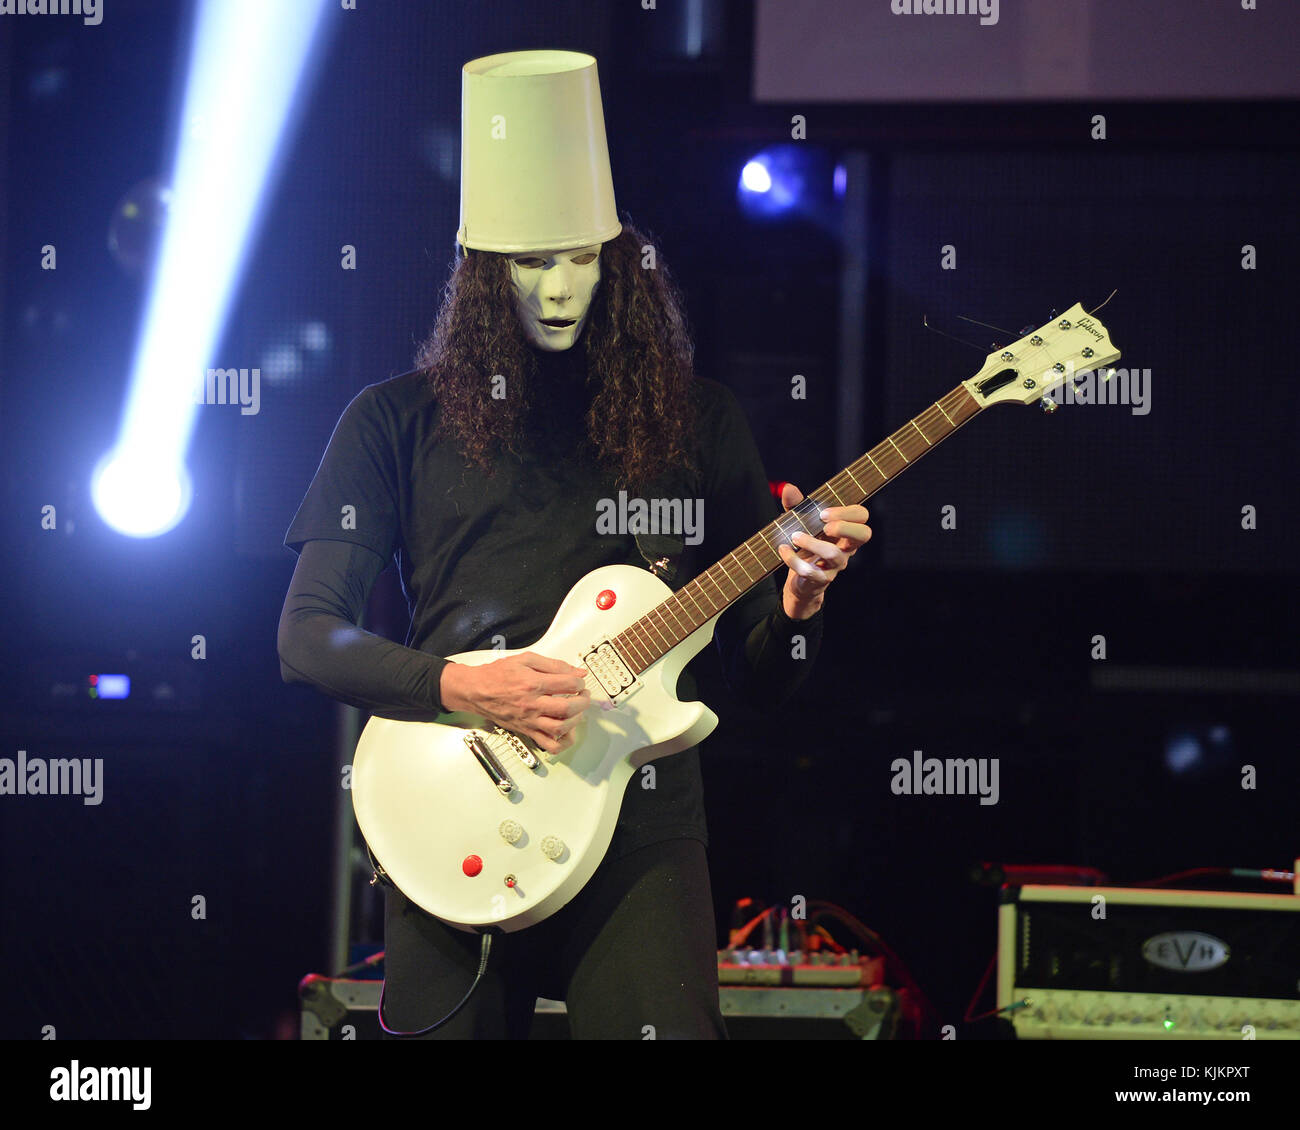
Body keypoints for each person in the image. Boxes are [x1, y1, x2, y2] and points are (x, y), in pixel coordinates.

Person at [277, 50, 870, 1040]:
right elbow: (306, 639)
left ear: (619, 261)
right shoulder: (391, 422)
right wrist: (467, 687)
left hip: (638, 814)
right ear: (480, 272)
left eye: (579, 257)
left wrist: (800, 602)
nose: (556, 286)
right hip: (454, 796)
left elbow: (765, 681)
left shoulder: (700, 421)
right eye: (529, 259)